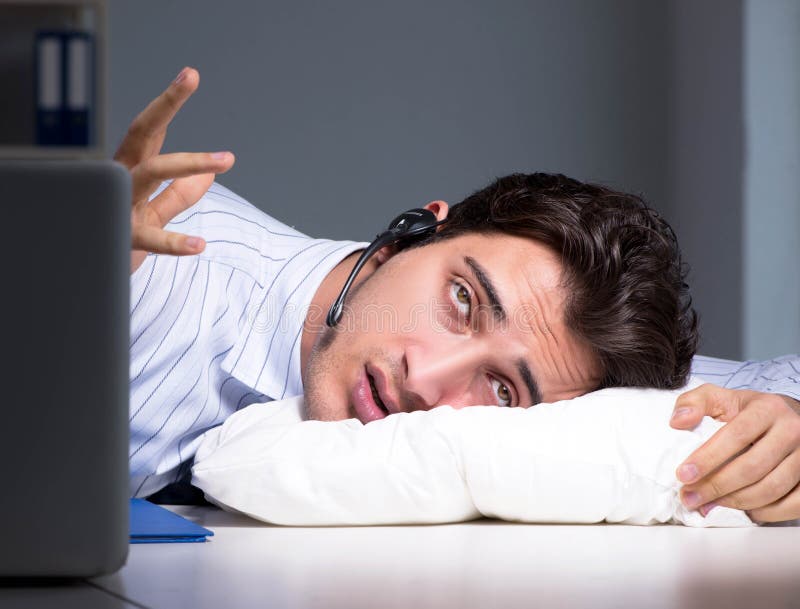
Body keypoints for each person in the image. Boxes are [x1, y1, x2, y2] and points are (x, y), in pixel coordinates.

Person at [123, 67, 800, 522]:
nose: (427, 378)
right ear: (413, 232)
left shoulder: (580, 388)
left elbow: (754, 391)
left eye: (504, 389)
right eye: (463, 302)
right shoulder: (153, 259)